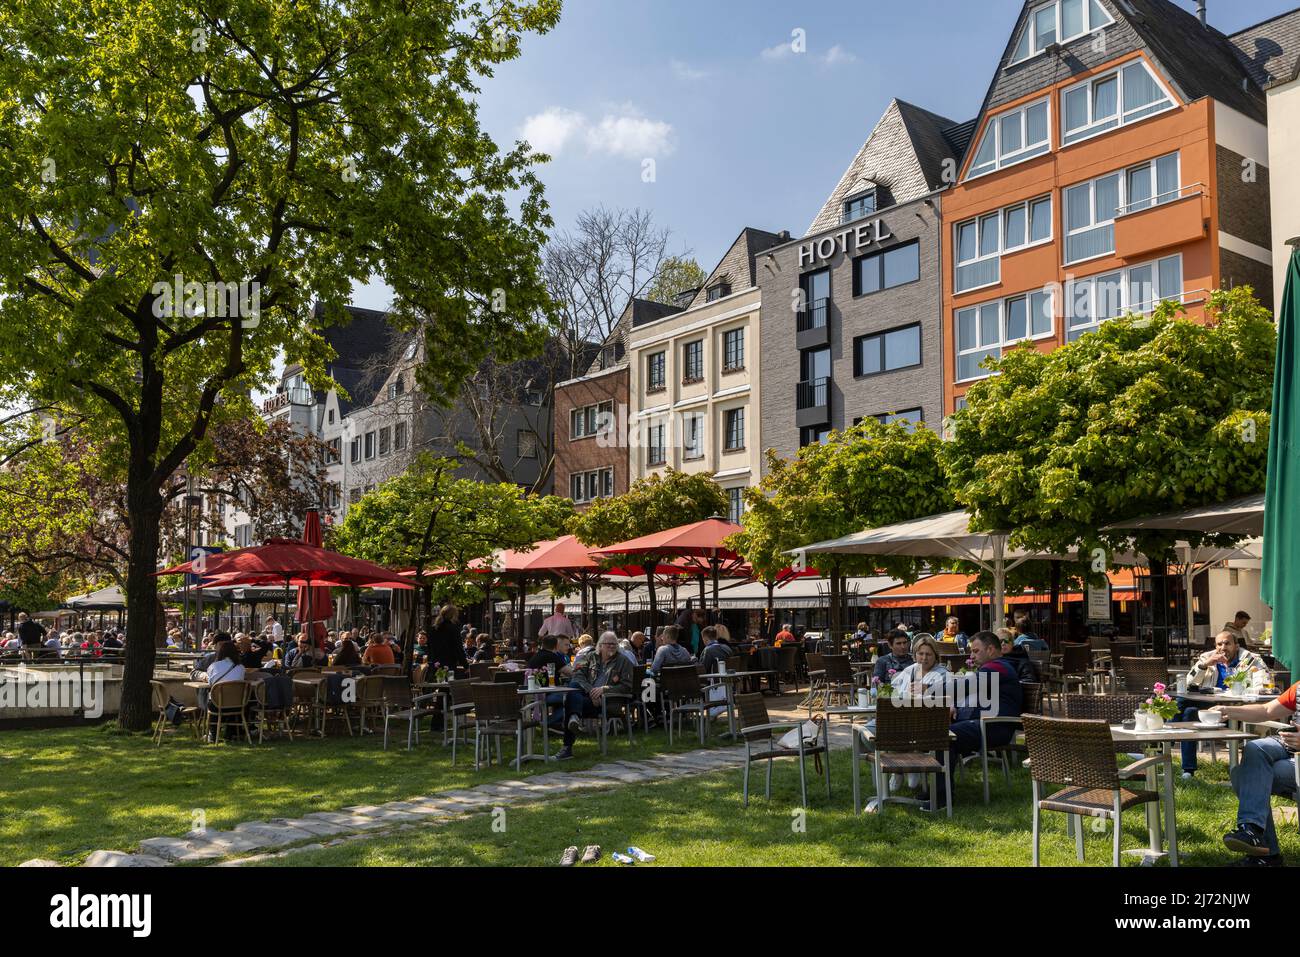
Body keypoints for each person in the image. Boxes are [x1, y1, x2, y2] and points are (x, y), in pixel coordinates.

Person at [1214, 680, 1300, 866]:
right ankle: (1252, 830)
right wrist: (1226, 710)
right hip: (1290, 749)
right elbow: (1266, 710)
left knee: (1244, 775)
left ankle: (1266, 856)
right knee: (1254, 749)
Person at [1175, 629, 1268, 778]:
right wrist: (1204, 665)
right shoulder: (1206, 658)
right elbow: (1188, 683)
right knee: (1188, 710)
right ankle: (1188, 770)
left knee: (1185, 710)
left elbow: (1264, 680)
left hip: (1238, 710)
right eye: (1219, 644)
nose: (1223, 648)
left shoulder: (1251, 659)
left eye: (1227, 643)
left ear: (1236, 646)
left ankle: (1167, 733)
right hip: (1211, 709)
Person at [942, 631, 1022, 799]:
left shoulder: (997, 666)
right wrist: (954, 706)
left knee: (944, 736)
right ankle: (936, 791)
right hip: (989, 723)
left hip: (995, 727)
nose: (971, 656)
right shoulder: (1000, 666)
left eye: (976, 651)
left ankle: (941, 797)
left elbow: (967, 687)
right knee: (939, 731)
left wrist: (930, 690)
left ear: (991, 649)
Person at [554, 631, 635, 760]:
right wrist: (591, 691)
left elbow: (627, 686)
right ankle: (574, 718)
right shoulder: (590, 657)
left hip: (608, 702)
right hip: (591, 700)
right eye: (608, 644)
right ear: (600, 645)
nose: (612, 646)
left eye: (614, 644)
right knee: (574, 688)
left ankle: (567, 747)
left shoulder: (623, 661)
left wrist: (604, 690)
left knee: (571, 700)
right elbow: (578, 674)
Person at [428, 604, 469, 671]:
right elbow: (458, 648)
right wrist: (466, 665)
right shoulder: (453, 628)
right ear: (453, 615)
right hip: (449, 663)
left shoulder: (434, 628)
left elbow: (430, 646)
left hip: (435, 663)